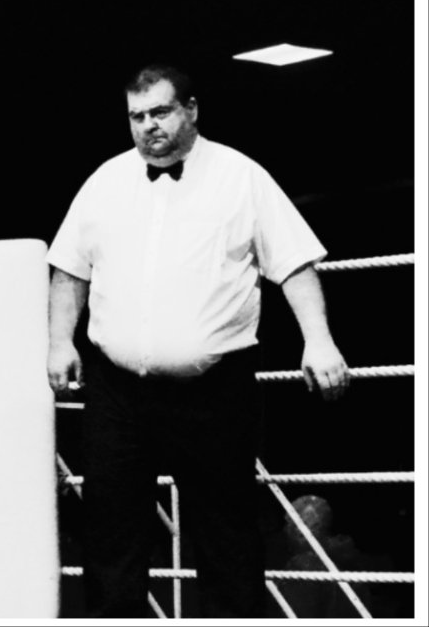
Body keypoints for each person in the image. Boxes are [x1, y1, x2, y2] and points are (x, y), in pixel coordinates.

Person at [44, 64, 350, 617]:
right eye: (137, 116)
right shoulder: (105, 181)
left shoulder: (241, 176)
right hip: (116, 391)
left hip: (215, 390)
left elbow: (294, 263)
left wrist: (319, 340)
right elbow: (69, 269)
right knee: (111, 533)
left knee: (226, 535)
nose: (148, 126)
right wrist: (59, 341)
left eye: (160, 112)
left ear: (191, 109)